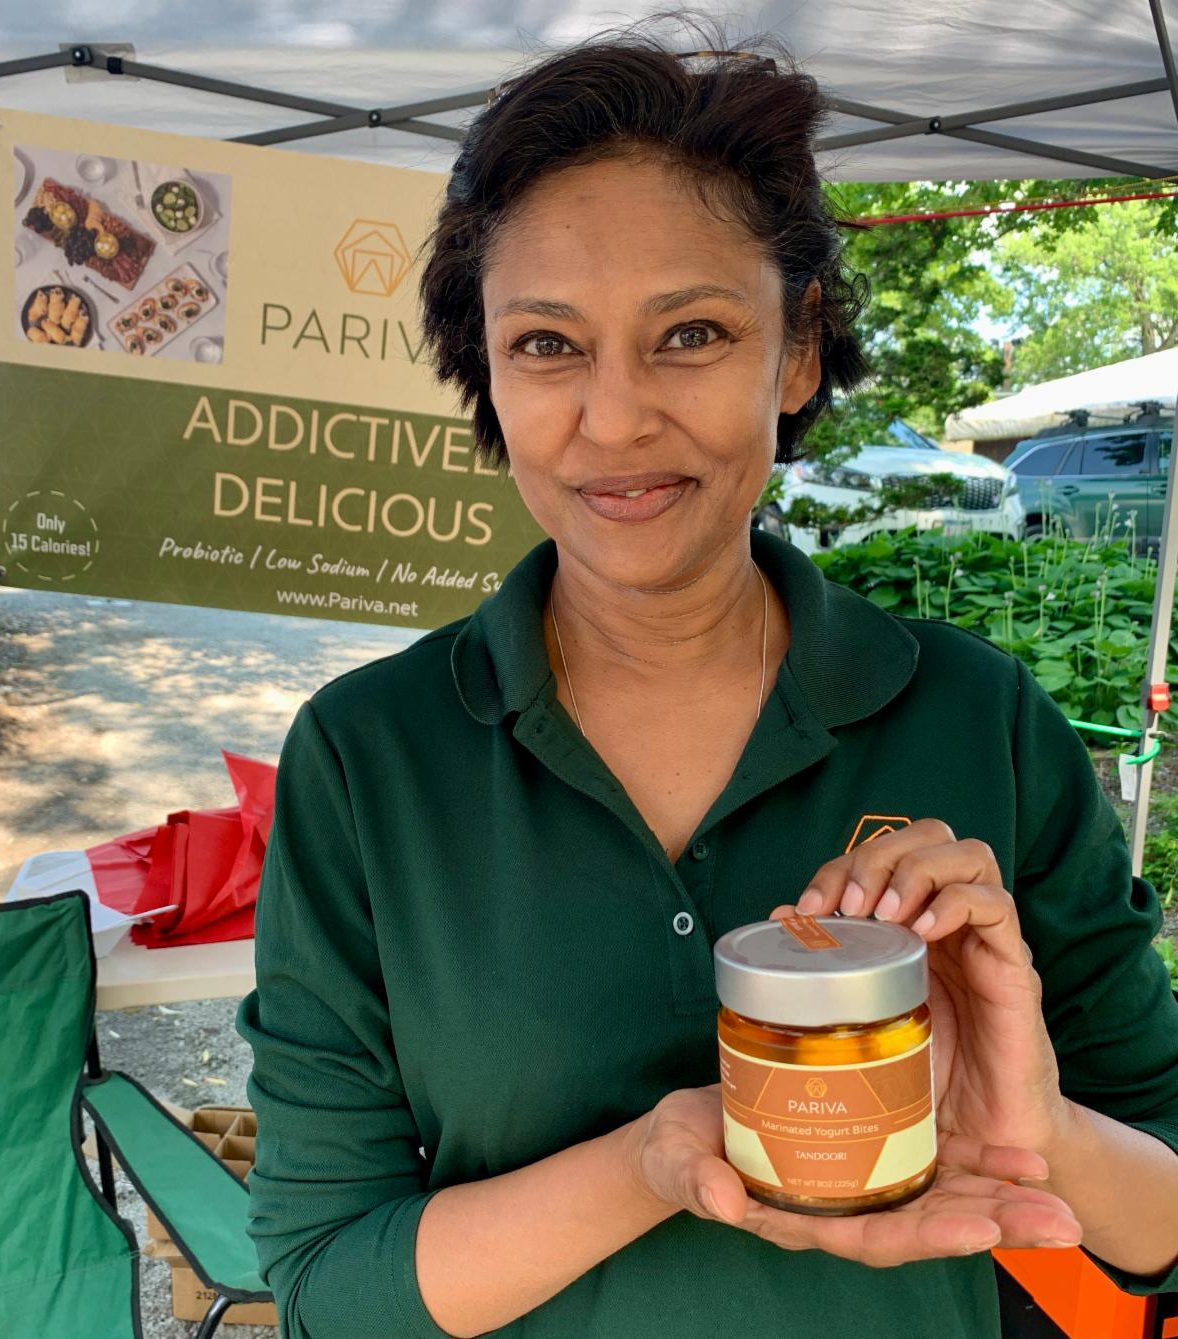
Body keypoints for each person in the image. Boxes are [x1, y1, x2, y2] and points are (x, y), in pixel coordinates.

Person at [235, 21, 1178, 1338]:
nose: (614, 419)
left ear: (795, 355)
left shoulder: (983, 721)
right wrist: (652, 1159)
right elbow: (329, 1287)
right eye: (548, 345)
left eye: (689, 333)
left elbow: (1164, 1227)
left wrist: (1035, 1126)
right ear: (488, 376)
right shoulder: (367, 757)